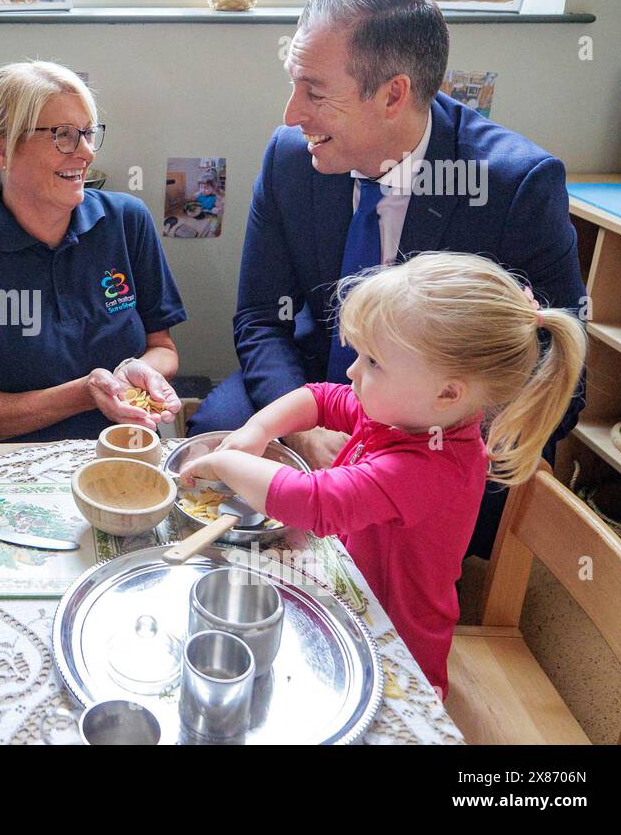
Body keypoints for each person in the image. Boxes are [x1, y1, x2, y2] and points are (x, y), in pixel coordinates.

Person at [187, 0, 586, 558]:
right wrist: (304, 427)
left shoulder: (515, 186)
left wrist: (405, 442)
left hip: (442, 427)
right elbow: (259, 317)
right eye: (293, 85)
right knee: (215, 434)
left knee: (461, 506)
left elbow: (559, 376)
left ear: (393, 95)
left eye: (315, 93)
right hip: (321, 386)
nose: (291, 113)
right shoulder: (290, 157)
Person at [179, 252, 586, 698]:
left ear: (447, 392)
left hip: (394, 649)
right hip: (353, 592)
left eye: (373, 362)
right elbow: (320, 397)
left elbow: (313, 503)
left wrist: (226, 463)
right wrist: (256, 430)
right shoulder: (407, 416)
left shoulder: (429, 467)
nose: (352, 371)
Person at [0, 61, 186, 443]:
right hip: (13, 464)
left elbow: (162, 348)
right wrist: (86, 393)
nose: (86, 153)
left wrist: (134, 371)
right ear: (1, 150)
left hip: (123, 447)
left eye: (88, 134)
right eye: (63, 135)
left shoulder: (127, 222)